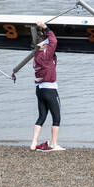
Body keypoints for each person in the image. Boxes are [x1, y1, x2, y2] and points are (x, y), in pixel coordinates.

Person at [28, 23, 64, 151]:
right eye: (46, 44)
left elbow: (51, 45)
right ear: (43, 45)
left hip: (39, 89)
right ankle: (54, 144)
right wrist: (45, 27)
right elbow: (54, 41)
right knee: (57, 117)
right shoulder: (46, 54)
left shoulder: (36, 56)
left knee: (42, 116)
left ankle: (33, 143)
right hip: (50, 89)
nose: (49, 45)